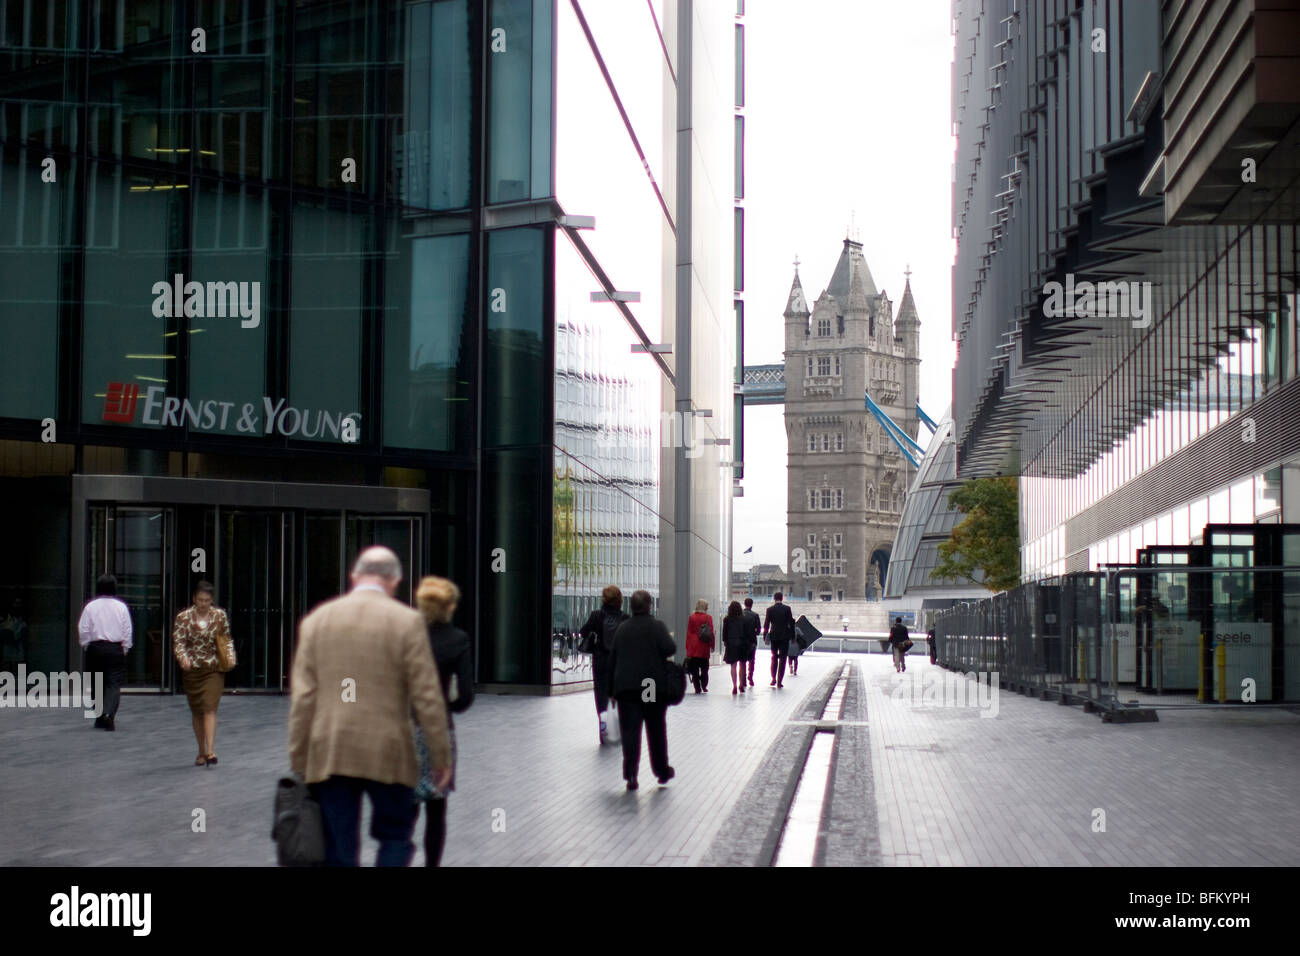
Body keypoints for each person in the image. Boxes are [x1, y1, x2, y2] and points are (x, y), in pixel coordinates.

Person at [288, 546, 451, 867]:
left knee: (338, 845)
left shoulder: (317, 621)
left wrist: (298, 756)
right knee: (394, 836)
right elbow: (427, 696)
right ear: (395, 580)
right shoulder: (407, 622)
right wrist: (439, 756)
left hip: (331, 749)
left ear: (353, 576)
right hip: (389, 750)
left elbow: (303, 698)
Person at [413, 576, 475, 867]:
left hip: (405, 730)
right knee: (436, 808)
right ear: (449, 606)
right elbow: (465, 697)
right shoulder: (458, 640)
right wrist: (447, 706)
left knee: (405, 805)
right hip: (438, 730)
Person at [607, 589, 676, 791]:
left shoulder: (622, 629)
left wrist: (611, 689)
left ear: (631, 606)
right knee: (655, 729)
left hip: (626, 688)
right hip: (649, 686)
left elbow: (613, 659)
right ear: (649, 606)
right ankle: (661, 771)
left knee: (630, 731)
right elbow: (670, 648)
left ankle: (630, 774)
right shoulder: (656, 627)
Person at [173, 581, 232, 766]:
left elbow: (226, 639)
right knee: (197, 710)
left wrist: (230, 656)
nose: (203, 603)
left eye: (207, 600)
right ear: (194, 599)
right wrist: (183, 658)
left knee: (209, 706)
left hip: (213, 668)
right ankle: (201, 750)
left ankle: (211, 750)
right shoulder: (183, 618)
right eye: (200, 599)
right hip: (193, 670)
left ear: (211, 600)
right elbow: (179, 641)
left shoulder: (219, 616)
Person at [78, 574, 132, 730]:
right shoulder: (121, 607)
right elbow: (127, 629)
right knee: (113, 684)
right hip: (115, 648)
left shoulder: (90, 606)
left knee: (97, 683)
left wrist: (86, 644)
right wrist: (125, 647)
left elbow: (83, 628)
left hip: (95, 648)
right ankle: (109, 714)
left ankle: (100, 715)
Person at [578, 585, 629, 744]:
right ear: (620, 600)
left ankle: (604, 732)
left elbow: (583, 631)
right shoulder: (625, 618)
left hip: (600, 661)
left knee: (601, 697)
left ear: (604, 599)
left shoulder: (596, 616)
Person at [763, 592, 795, 688]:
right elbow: (791, 624)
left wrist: (765, 636)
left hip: (774, 637)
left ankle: (773, 678)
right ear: (782, 598)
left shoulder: (770, 610)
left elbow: (766, 624)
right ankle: (779, 681)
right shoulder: (787, 609)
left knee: (774, 657)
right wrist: (793, 637)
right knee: (783, 659)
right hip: (785, 637)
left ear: (774, 598)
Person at [684, 599, 714, 694]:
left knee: (694, 669)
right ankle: (704, 685)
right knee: (705, 668)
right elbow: (711, 633)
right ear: (705, 607)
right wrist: (712, 645)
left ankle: (697, 688)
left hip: (693, 646)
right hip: (704, 646)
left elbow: (689, 633)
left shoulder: (692, 618)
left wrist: (688, 647)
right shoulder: (708, 618)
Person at [721, 601, 748, 694]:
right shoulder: (744, 619)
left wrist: (725, 642)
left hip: (731, 643)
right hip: (742, 643)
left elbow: (724, 633)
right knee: (742, 665)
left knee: (733, 666)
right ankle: (741, 684)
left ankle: (734, 685)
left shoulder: (727, 619)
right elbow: (746, 633)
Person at [741, 598, 761, 688]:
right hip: (752, 641)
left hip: (742, 641)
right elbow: (759, 629)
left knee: (743, 661)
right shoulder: (755, 615)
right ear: (752, 604)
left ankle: (743, 680)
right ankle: (750, 676)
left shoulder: (740, 614)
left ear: (744, 604)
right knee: (752, 660)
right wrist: (754, 633)